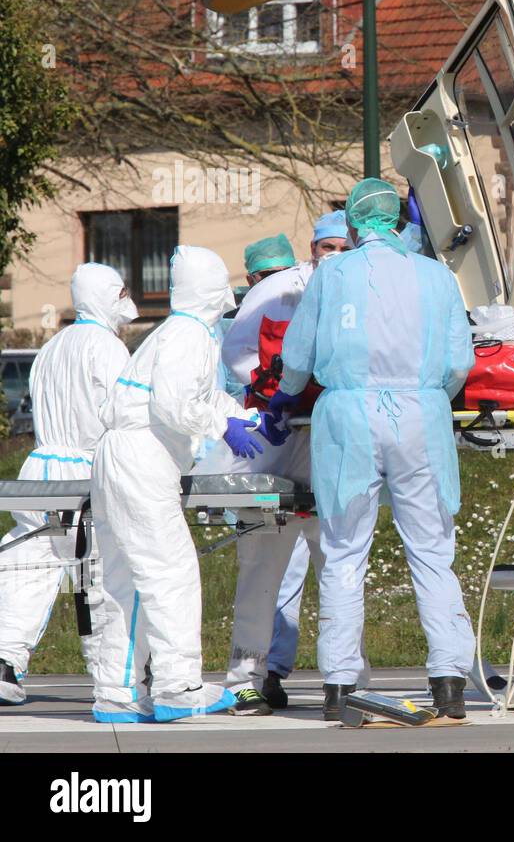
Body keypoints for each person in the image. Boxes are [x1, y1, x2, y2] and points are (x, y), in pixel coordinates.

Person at [274, 179, 475, 721]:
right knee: (432, 550)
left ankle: (339, 684)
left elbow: (299, 353)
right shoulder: (437, 276)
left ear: (356, 226)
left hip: (347, 415)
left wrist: (284, 395)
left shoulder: (332, 273)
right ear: (397, 221)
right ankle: (449, 679)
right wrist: (429, 395)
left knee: (343, 550)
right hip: (421, 416)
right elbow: (460, 361)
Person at [88, 246, 267, 723]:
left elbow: (201, 397)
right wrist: (220, 427)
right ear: (215, 289)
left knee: (126, 579)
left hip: (117, 456)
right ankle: (178, 686)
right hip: (142, 459)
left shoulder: (171, 332)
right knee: (170, 573)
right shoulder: (191, 335)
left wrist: (247, 418)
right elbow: (175, 406)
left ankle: (118, 692)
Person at [194, 218, 354, 714]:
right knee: (261, 564)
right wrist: (272, 392)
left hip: (331, 436)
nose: (335, 254)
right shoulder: (279, 289)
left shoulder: (360, 289)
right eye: (328, 246)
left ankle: (346, 677)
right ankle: (245, 676)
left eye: (344, 246)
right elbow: (239, 350)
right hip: (278, 434)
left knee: (339, 562)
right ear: (311, 248)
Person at [0, 265, 136, 706]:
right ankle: (111, 677)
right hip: (87, 472)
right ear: (110, 295)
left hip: (40, 471)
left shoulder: (52, 346)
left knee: (28, 566)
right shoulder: (108, 348)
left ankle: (3, 661)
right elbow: (125, 414)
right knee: (98, 574)